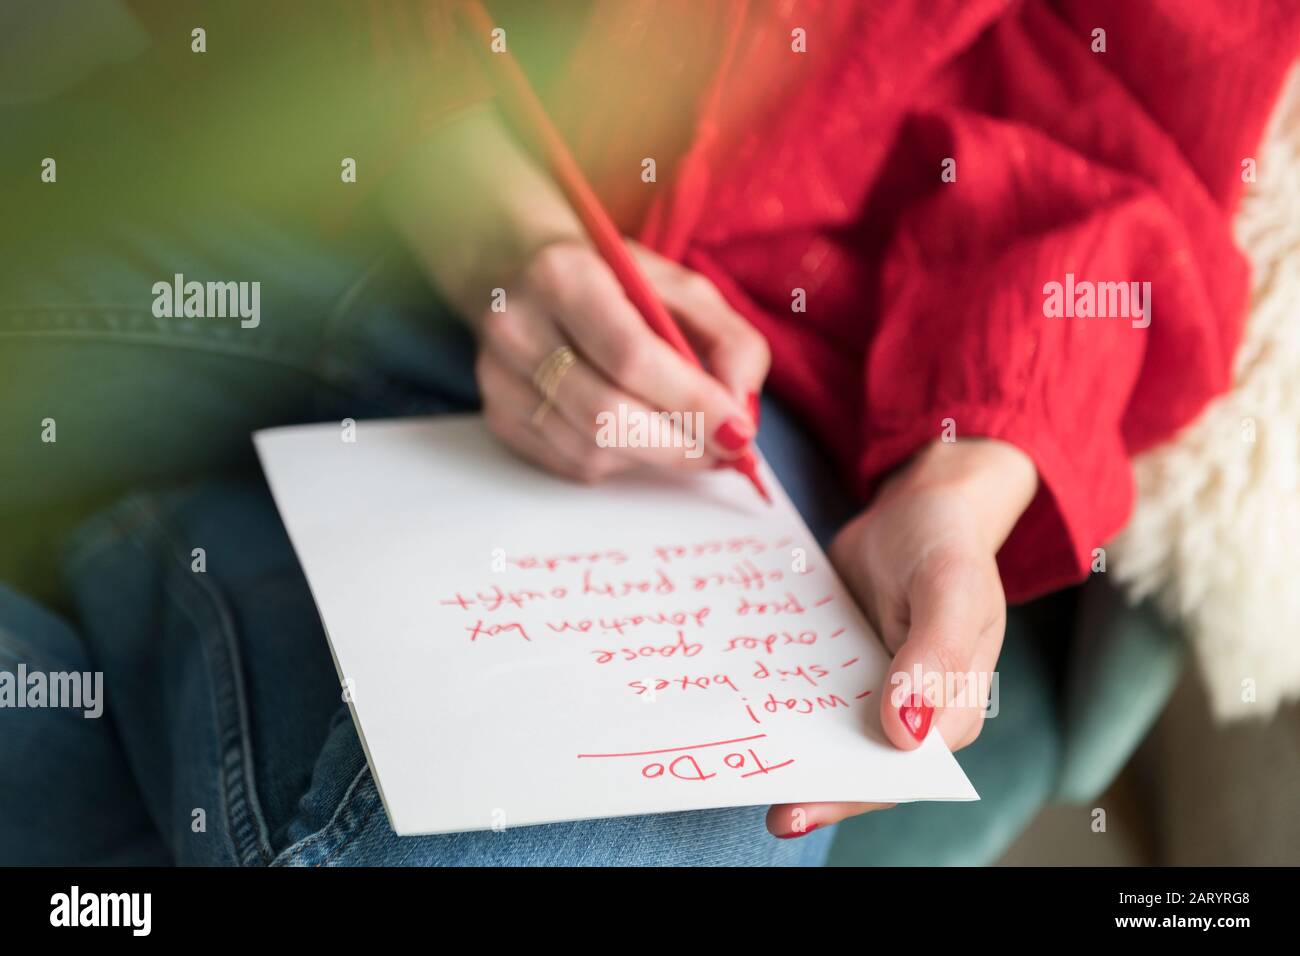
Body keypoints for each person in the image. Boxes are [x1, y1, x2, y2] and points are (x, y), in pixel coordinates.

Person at [1, 0, 1296, 864]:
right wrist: (484, 214)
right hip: (282, 182)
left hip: (742, 381)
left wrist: (963, 482)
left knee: (618, 821)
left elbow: (1124, 154)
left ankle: (170, 593)